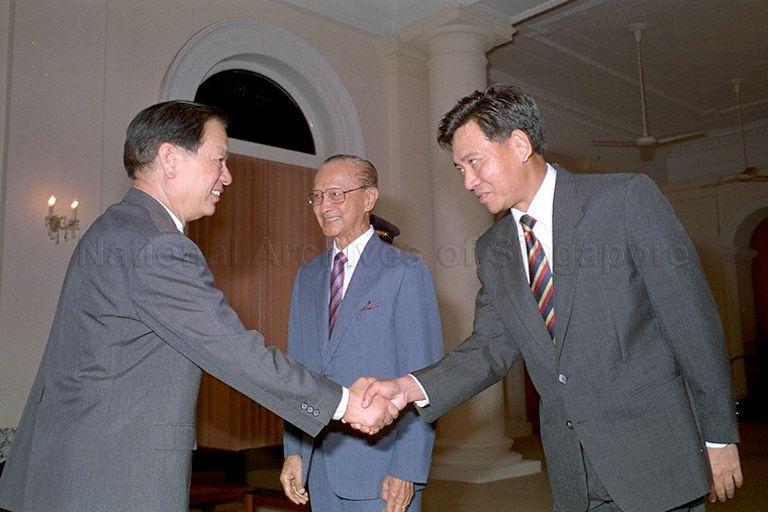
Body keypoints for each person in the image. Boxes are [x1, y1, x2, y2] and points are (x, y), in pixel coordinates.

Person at [0, 101, 397, 512]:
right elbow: (233, 350)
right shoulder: (157, 245)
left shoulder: (114, 227)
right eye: (219, 160)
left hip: (75, 471)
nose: (227, 176)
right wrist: (345, 403)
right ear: (171, 158)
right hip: (113, 479)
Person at [362, 85, 743, 512]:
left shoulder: (622, 200)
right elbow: (490, 348)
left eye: (474, 162)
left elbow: (691, 322)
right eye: (459, 169)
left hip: (654, 460)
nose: (468, 182)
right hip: (572, 474)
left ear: (520, 144)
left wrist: (719, 435)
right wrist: (408, 387)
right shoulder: (494, 249)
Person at [279, 155, 443, 512]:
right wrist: (295, 451)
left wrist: (408, 469)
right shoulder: (306, 277)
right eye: (317, 196)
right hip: (320, 469)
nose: (324, 206)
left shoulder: (404, 271)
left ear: (369, 199)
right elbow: (298, 373)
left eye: (337, 194)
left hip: (381, 470)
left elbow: (424, 378)